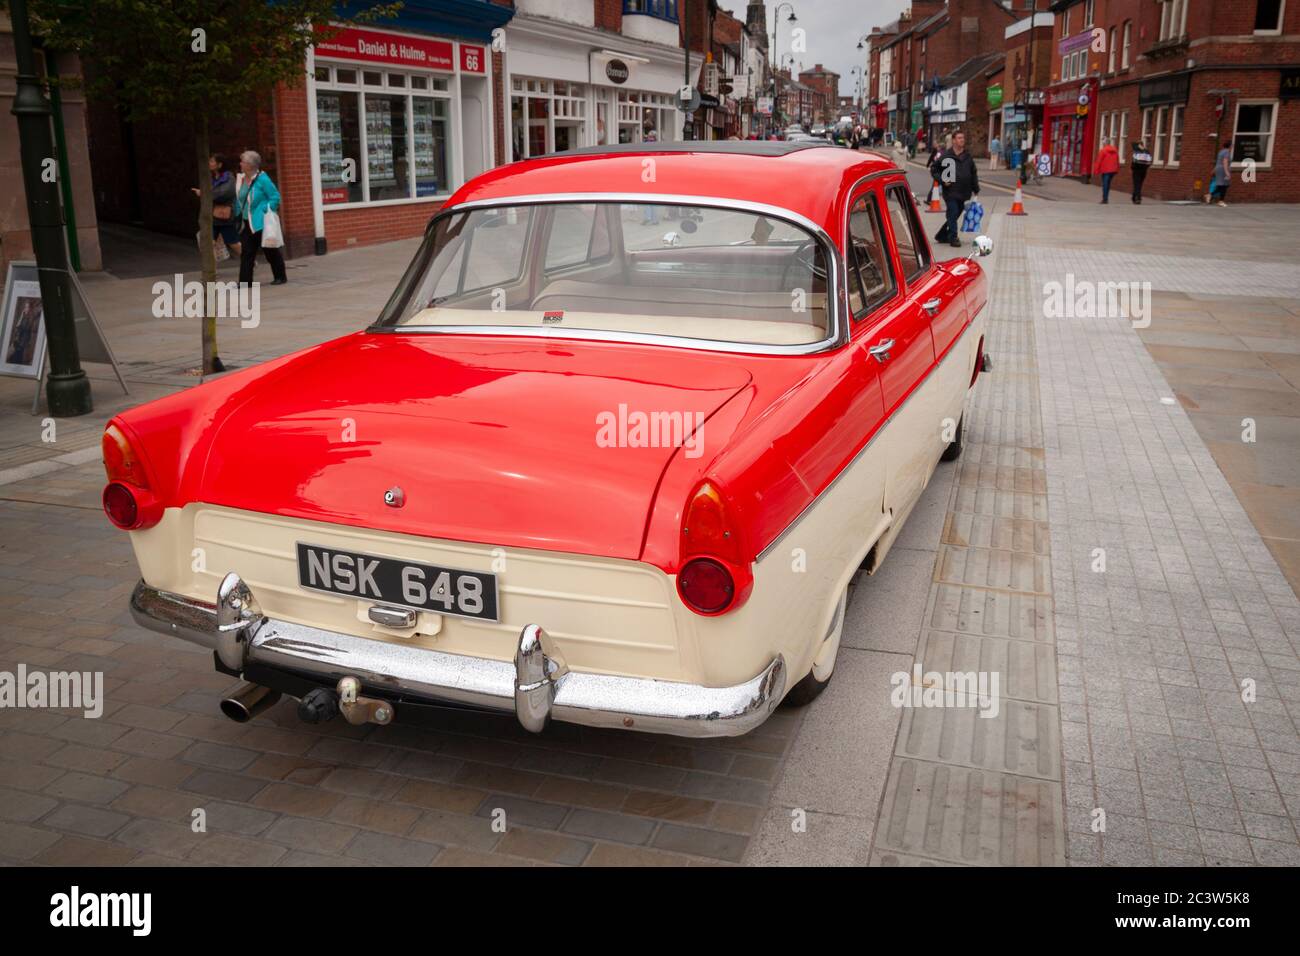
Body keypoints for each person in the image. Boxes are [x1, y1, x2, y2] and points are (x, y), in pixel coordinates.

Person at [234, 150, 287, 286]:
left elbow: (275, 197)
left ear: (250, 165)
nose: (240, 164)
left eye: (243, 162)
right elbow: (238, 199)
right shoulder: (240, 179)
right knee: (247, 252)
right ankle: (245, 282)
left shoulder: (263, 179)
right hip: (247, 223)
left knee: (270, 250)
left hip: (261, 222)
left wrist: (265, 210)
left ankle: (280, 276)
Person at [931, 130, 980, 247]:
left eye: (962, 138)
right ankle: (953, 238)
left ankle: (941, 235)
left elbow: (973, 172)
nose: (962, 140)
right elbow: (934, 169)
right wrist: (943, 180)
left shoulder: (968, 156)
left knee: (955, 214)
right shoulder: (946, 156)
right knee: (952, 213)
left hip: (964, 192)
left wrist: (975, 187)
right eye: (959, 138)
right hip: (951, 191)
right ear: (953, 140)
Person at [192, 153, 241, 259]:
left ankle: (250, 261)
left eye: (212, 161)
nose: (209, 163)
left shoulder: (229, 177)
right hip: (212, 216)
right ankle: (212, 272)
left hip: (224, 216)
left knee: (233, 243)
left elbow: (224, 193)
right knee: (209, 243)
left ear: (220, 164)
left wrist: (204, 194)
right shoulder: (213, 177)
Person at [1096, 137, 1120, 203]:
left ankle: (1105, 199)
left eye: (1103, 142)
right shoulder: (1115, 150)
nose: (1102, 144)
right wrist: (1117, 169)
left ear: (1105, 143)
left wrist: (1096, 170)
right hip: (1113, 170)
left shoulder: (1103, 151)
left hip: (1106, 170)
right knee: (1108, 184)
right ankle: (1105, 197)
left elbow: (1099, 161)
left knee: (1105, 184)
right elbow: (1117, 160)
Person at [1211, 138, 1232, 206]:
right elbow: (1225, 162)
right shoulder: (1227, 152)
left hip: (1219, 169)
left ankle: (1210, 195)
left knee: (1221, 186)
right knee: (1224, 185)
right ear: (1230, 146)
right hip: (1223, 170)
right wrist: (1227, 172)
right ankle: (1221, 201)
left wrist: (1214, 170)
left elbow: (1218, 162)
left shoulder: (1221, 152)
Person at [1130, 139, 1152, 203]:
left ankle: (1138, 198)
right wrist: (1145, 168)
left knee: (1137, 184)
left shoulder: (1136, 152)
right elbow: (1149, 161)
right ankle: (1134, 197)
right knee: (1139, 184)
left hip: (1136, 170)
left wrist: (1133, 168)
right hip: (1144, 171)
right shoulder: (1147, 151)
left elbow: (1133, 162)